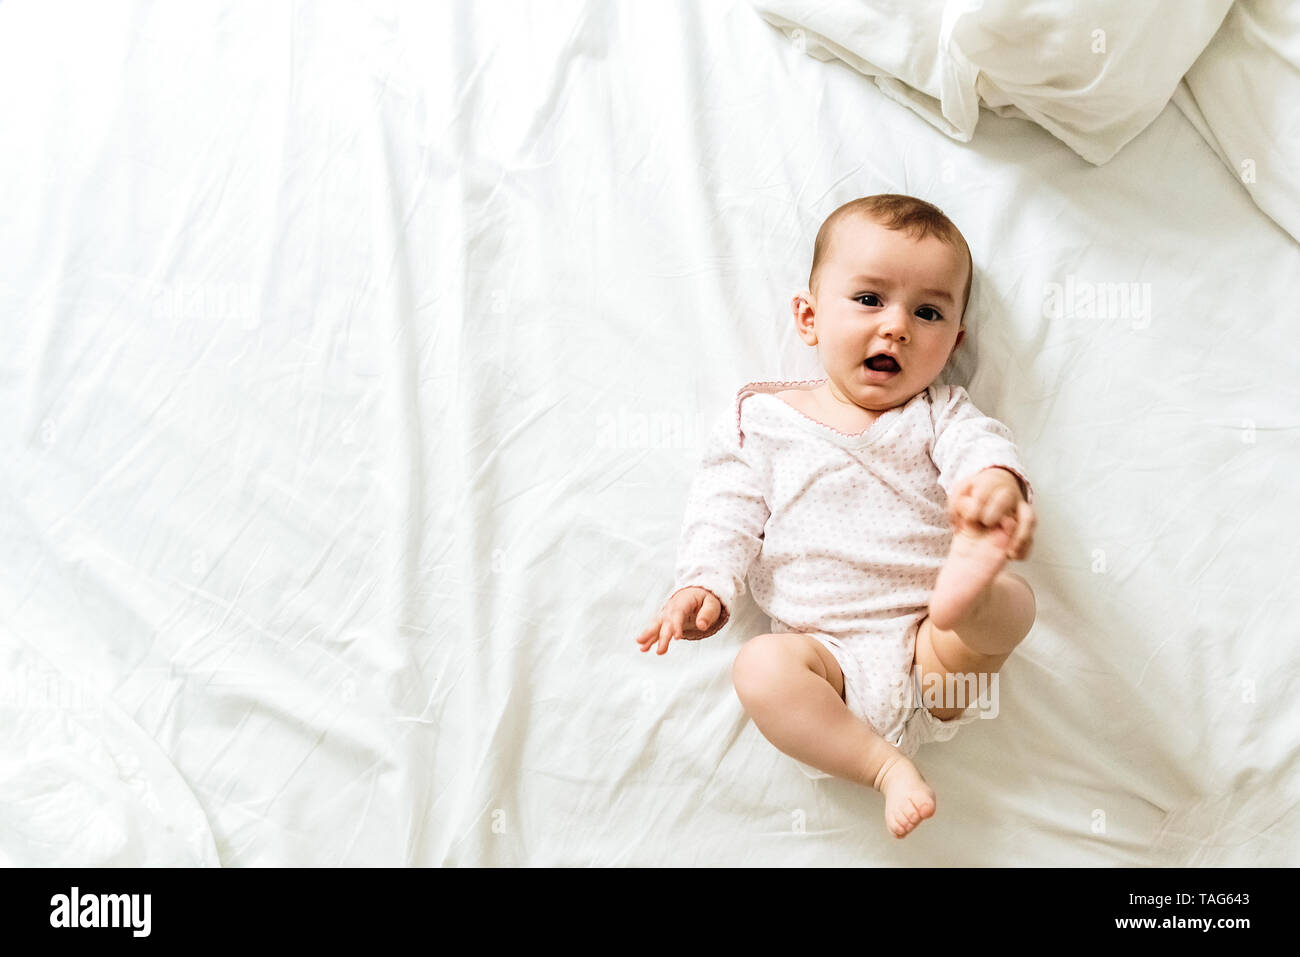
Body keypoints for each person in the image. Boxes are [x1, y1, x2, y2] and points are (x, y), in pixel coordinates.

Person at [634, 194, 1038, 838]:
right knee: (760, 667)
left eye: (928, 312)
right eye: (870, 300)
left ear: (954, 341)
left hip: (927, 644)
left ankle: (971, 599)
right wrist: (703, 582)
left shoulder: (938, 412)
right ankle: (884, 769)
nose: (897, 326)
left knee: (1012, 603)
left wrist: (993, 488)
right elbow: (725, 509)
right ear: (809, 316)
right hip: (825, 661)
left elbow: (981, 447)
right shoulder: (764, 420)